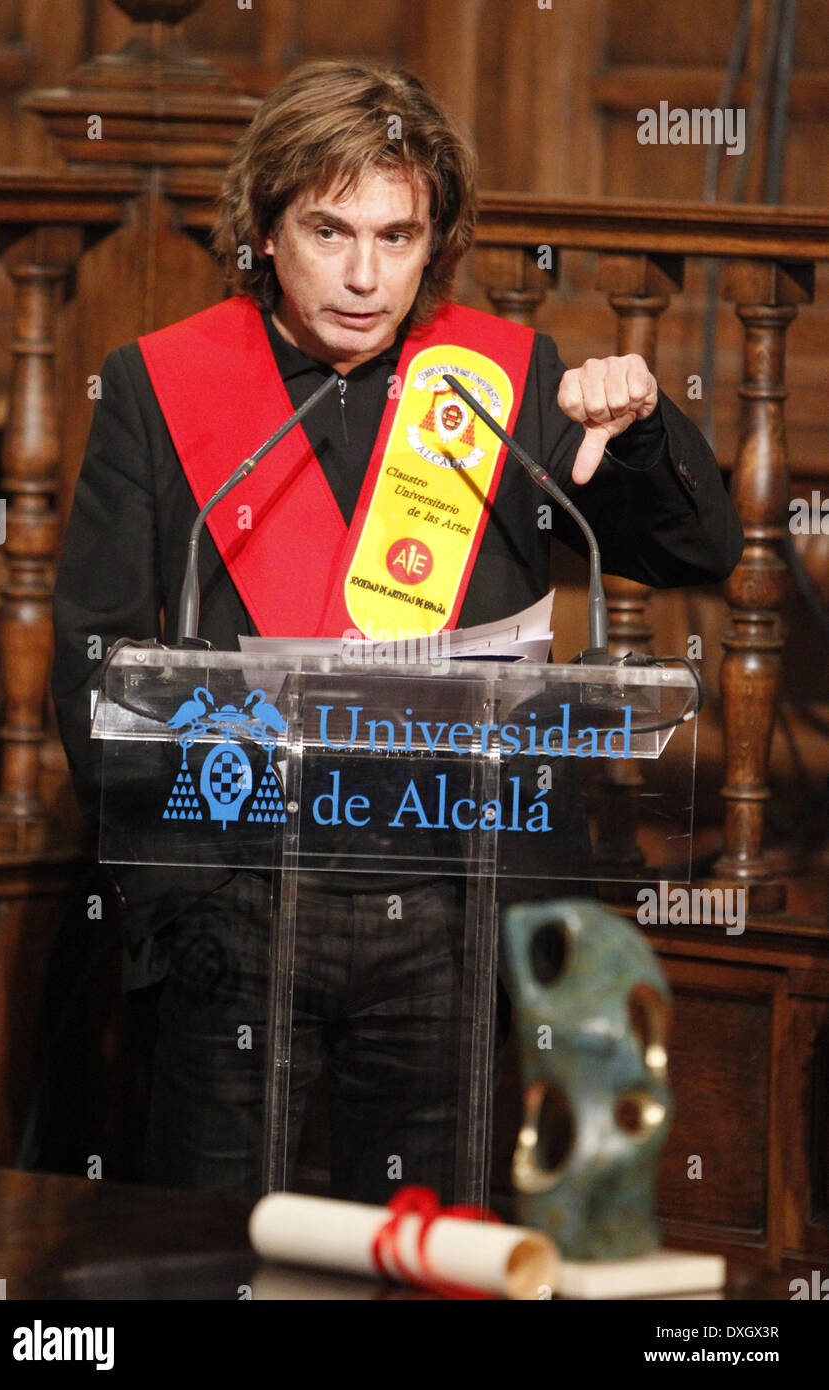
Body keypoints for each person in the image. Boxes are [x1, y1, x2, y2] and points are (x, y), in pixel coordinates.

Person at [52, 59, 743, 1205]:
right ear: (265, 231)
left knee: (425, 1249)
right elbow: (94, 665)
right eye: (329, 232)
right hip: (243, 898)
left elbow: (696, 553)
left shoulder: (500, 381)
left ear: (436, 240)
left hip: (450, 901)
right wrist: (183, 909)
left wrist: (635, 434)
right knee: (209, 1247)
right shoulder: (158, 384)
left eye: (397, 235)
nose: (365, 277)